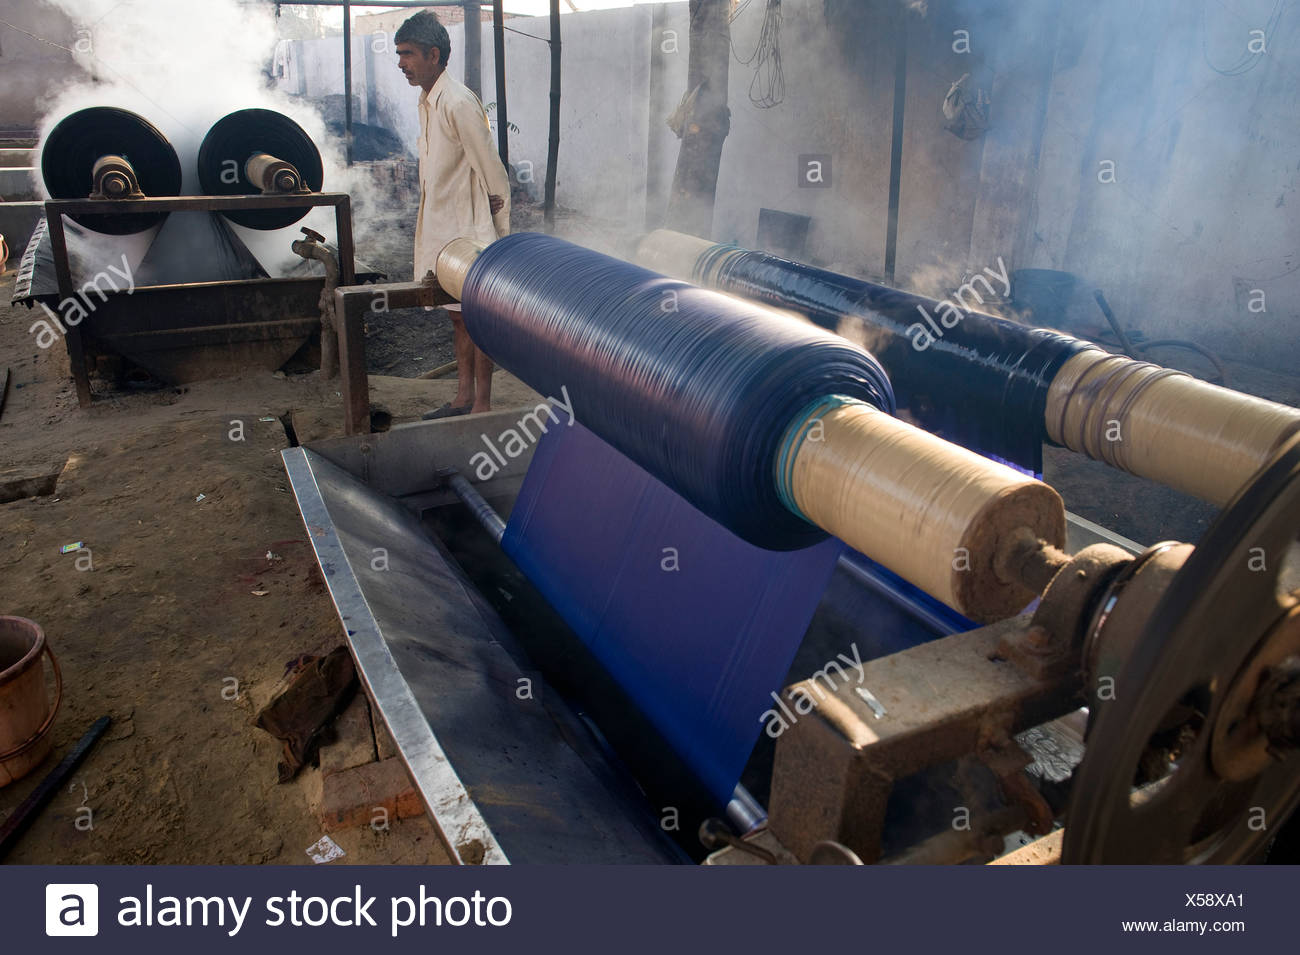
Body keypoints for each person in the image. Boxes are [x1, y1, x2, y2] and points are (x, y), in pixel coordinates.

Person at [395, 11, 510, 417]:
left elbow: (491, 168)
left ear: (433, 54)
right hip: (443, 228)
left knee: (477, 318)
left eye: (408, 54)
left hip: (468, 230)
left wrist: (499, 232)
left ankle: (481, 404)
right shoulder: (428, 99)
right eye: (398, 54)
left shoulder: (458, 101)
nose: (401, 63)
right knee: (457, 318)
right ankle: (462, 397)